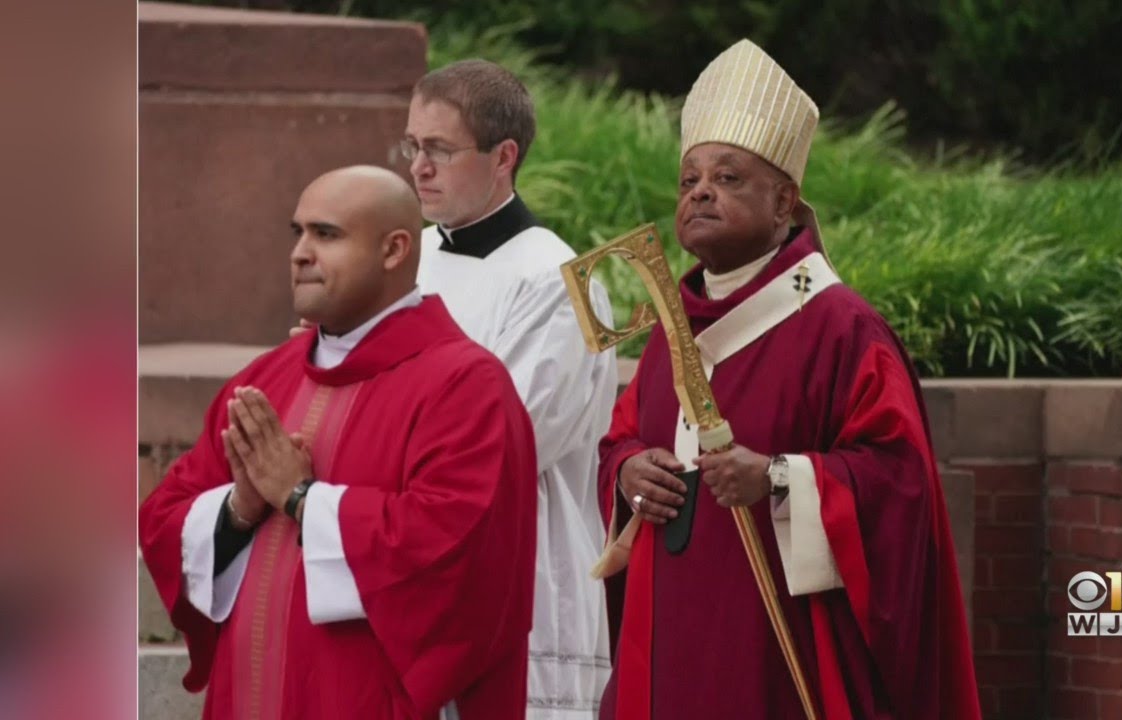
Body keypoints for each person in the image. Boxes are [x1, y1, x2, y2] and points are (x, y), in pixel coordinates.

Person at [595, 40, 982, 719]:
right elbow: (622, 437)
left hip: (777, 644)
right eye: (690, 182)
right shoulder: (670, 327)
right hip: (667, 630)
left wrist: (777, 477)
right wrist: (629, 473)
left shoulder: (841, 328)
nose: (701, 192)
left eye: (729, 178)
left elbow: (900, 483)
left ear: (785, 201)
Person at [139, 165, 538, 719]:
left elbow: (458, 552)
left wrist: (301, 497)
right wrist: (240, 508)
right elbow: (162, 518)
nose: (300, 253)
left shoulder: (465, 387)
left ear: (394, 250)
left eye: (325, 235)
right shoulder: (263, 384)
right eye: (297, 233)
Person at [404, 60, 617, 719]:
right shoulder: (404, 257)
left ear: (504, 156)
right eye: (411, 146)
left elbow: (501, 442)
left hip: (522, 581)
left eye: (439, 150)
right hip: (409, 572)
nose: (418, 167)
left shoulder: (560, 281)